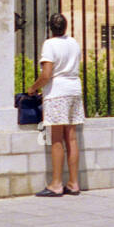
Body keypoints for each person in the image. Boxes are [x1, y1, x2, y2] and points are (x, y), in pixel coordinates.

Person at [25, 13, 84, 197]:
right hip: (74, 89)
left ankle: (56, 183)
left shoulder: (50, 44)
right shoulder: (73, 43)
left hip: (57, 93)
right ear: (65, 27)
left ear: (50, 27)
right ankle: (74, 182)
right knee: (71, 138)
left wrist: (33, 88)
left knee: (57, 139)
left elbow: (47, 73)